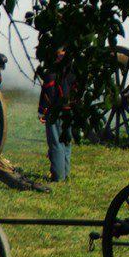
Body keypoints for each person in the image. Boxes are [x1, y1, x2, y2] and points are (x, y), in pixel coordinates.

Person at [38, 48, 73, 181]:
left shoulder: (53, 73)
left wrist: (43, 111)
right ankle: (65, 173)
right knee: (66, 143)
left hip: (57, 112)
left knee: (56, 143)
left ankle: (58, 177)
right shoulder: (72, 71)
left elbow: (49, 95)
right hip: (70, 111)